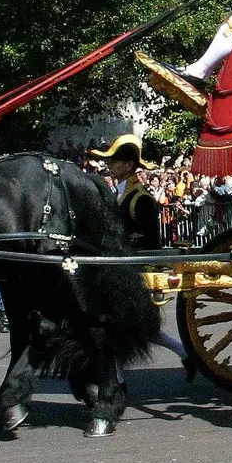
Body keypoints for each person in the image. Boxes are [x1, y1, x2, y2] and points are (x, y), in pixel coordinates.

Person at [90, 134, 196, 379]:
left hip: (138, 269)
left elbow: (148, 239)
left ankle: (119, 381)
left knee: (119, 327)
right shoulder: (119, 193)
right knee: (121, 327)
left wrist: (117, 243)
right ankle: (182, 354)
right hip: (122, 266)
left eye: (115, 161)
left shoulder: (141, 198)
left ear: (128, 165)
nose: (111, 165)